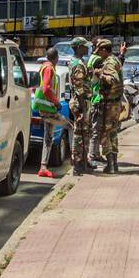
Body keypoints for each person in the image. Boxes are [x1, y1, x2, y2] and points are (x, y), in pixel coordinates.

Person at [34, 49, 70, 178]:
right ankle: (76, 158)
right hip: (48, 109)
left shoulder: (44, 67)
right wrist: (56, 102)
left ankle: (43, 167)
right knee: (70, 127)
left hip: (45, 109)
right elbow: (46, 88)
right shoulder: (49, 69)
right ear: (56, 58)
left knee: (48, 138)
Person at [66, 37, 96, 175]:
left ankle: (84, 161)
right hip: (80, 102)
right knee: (79, 134)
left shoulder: (79, 62)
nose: (87, 48)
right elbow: (79, 87)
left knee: (86, 132)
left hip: (83, 102)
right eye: (84, 46)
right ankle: (78, 164)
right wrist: (83, 107)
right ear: (78, 48)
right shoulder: (77, 64)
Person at [95, 40, 125, 174]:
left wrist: (99, 74)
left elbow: (112, 79)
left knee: (105, 133)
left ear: (104, 50)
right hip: (115, 103)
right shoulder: (115, 60)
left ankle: (110, 164)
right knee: (113, 133)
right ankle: (115, 163)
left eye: (99, 50)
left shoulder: (109, 63)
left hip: (109, 104)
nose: (97, 53)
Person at [87, 38, 110, 163]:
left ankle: (95, 154)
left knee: (95, 128)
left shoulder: (91, 58)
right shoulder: (98, 60)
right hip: (96, 98)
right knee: (96, 129)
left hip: (93, 97)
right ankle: (92, 156)